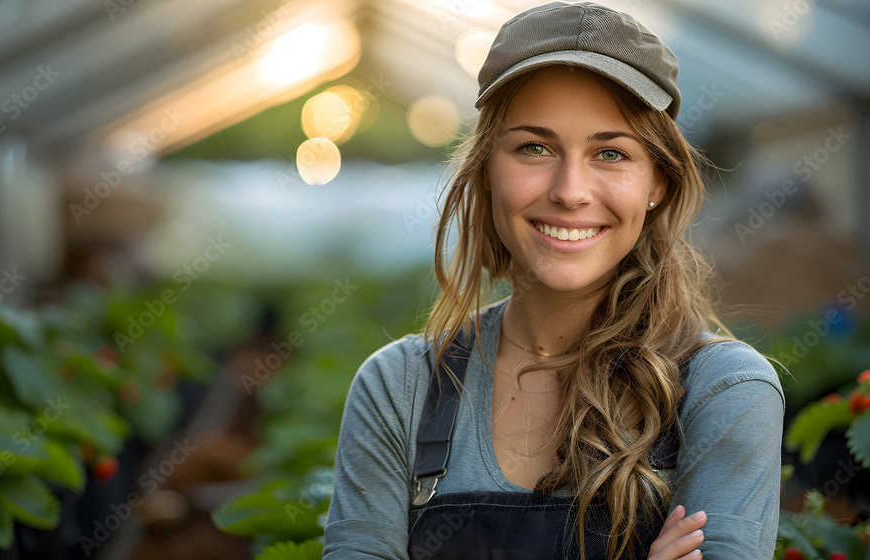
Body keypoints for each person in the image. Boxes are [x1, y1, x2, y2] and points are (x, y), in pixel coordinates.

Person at [322, 2, 784, 559]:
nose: (570, 190)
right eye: (534, 148)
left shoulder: (724, 392)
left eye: (610, 153)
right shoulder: (401, 388)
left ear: (656, 182)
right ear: (487, 171)